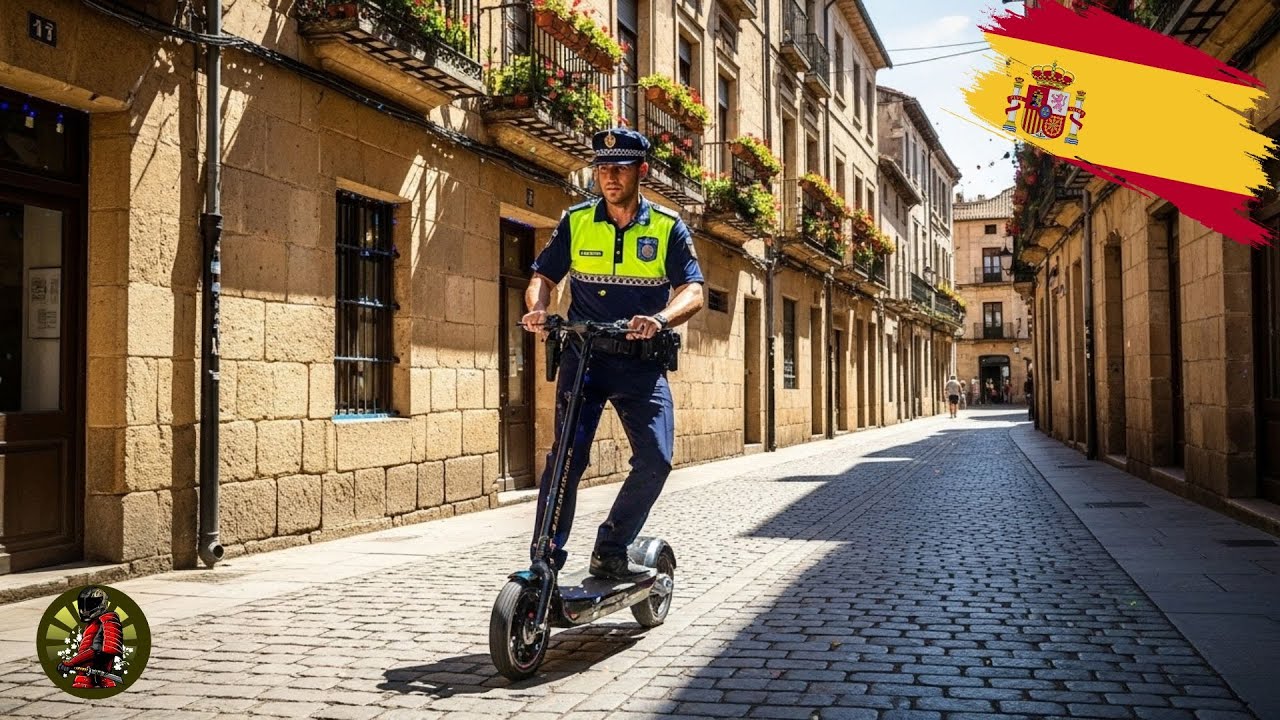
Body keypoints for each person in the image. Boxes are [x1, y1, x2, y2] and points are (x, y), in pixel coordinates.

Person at [521, 128, 705, 580]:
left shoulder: (666, 226)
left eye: (619, 168)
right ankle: (544, 560)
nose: (610, 177)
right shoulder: (576, 220)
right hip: (583, 359)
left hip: (640, 362)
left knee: (656, 459)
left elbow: (693, 290)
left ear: (641, 171)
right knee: (566, 457)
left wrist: (660, 318)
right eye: (603, 168)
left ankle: (611, 546)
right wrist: (538, 309)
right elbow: (542, 277)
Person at [57, 587, 123, 688]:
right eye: (84, 604)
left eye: (90, 604)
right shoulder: (93, 623)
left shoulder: (107, 621)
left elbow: (97, 649)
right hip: (85, 674)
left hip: (100, 675)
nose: (85, 609)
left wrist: (72, 662)